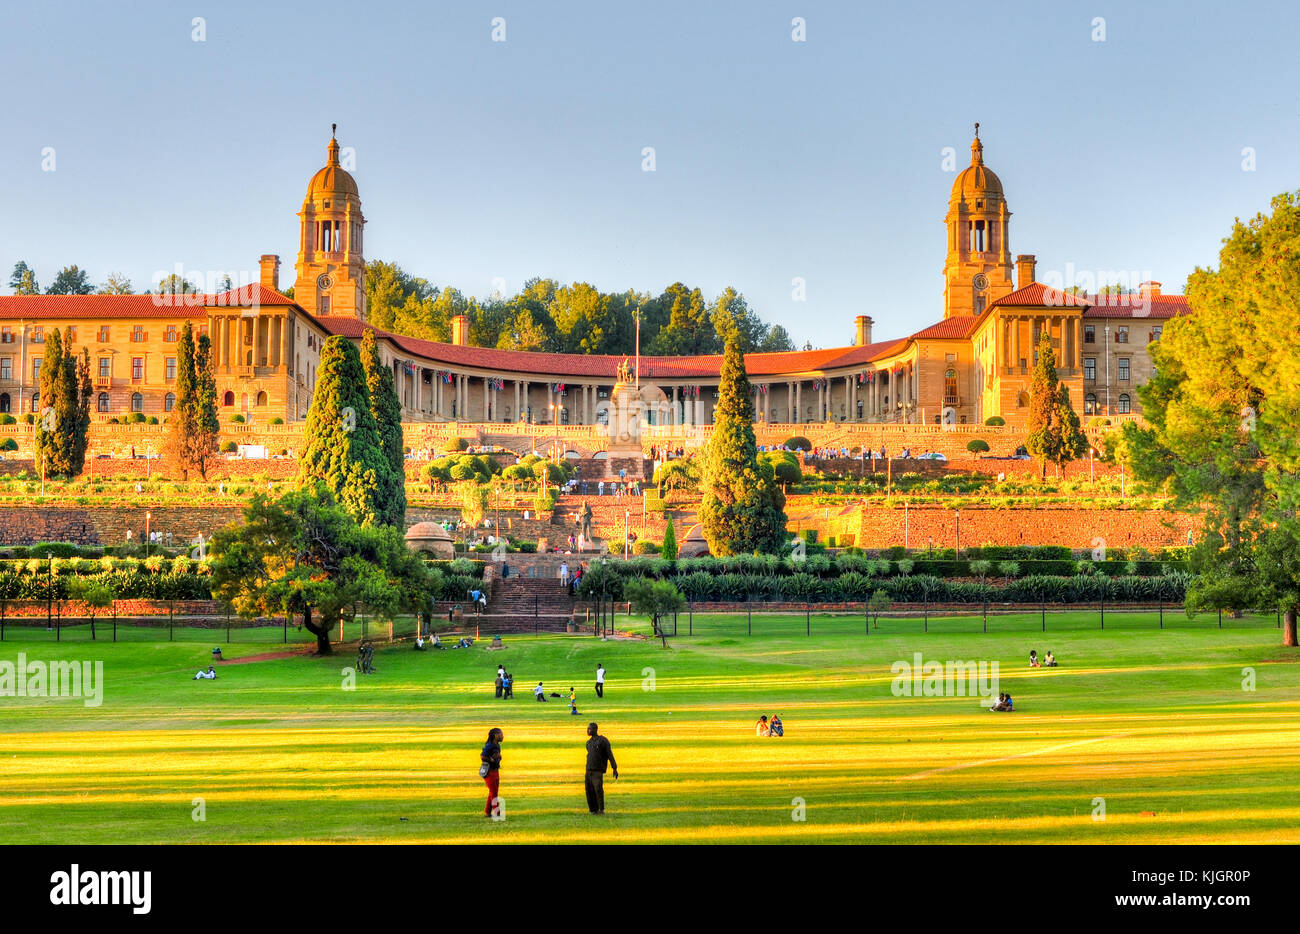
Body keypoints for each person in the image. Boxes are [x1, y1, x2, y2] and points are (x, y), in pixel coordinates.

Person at [584, 722, 618, 814]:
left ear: (595, 729)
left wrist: (614, 768)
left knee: (598, 790)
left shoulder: (603, 741)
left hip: (597, 771)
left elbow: (609, 754)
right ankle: (592, 809)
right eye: (588, 728)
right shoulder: (588, 743)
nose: (588, 730)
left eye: (589, 728)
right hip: (589, 770)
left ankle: (601, 809)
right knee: (589, 790)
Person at [480, 728, 503, 817]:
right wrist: (491, 759)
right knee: (494, 793)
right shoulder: (489, 745)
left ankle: (487, 812)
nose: (502, 736)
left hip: (496, 771)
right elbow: (482, 756)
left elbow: (496, 756)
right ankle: (497, 814)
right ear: (495, 735)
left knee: (493, 792)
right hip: (490, 773)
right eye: (501, 734)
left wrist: (499, 757)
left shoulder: (497, 745)